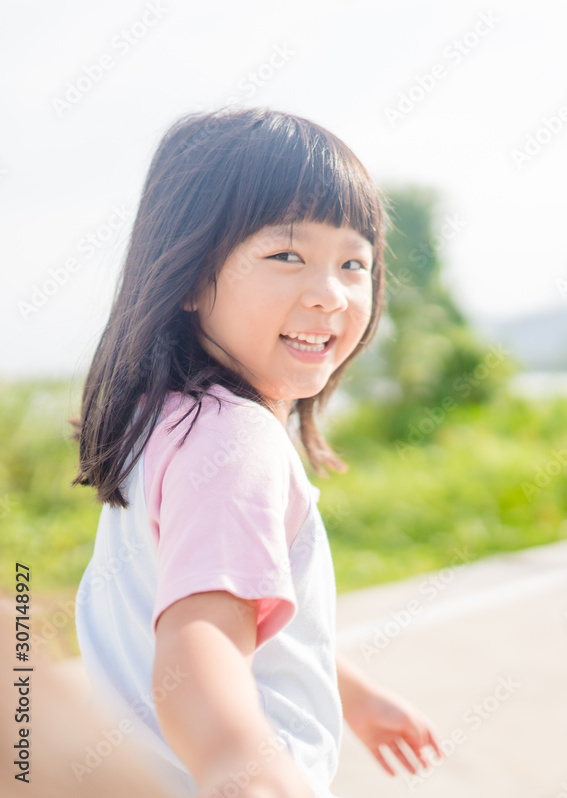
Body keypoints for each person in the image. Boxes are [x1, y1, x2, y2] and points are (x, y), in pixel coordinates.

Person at [70, 107, 443, 798]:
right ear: (186, 275)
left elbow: (234, 603)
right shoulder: (236, 443)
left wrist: (351, 695)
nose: (330, 294)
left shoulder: (168, 424)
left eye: (353, 263)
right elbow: (199, 644)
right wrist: (249, 775)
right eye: (286, 256)